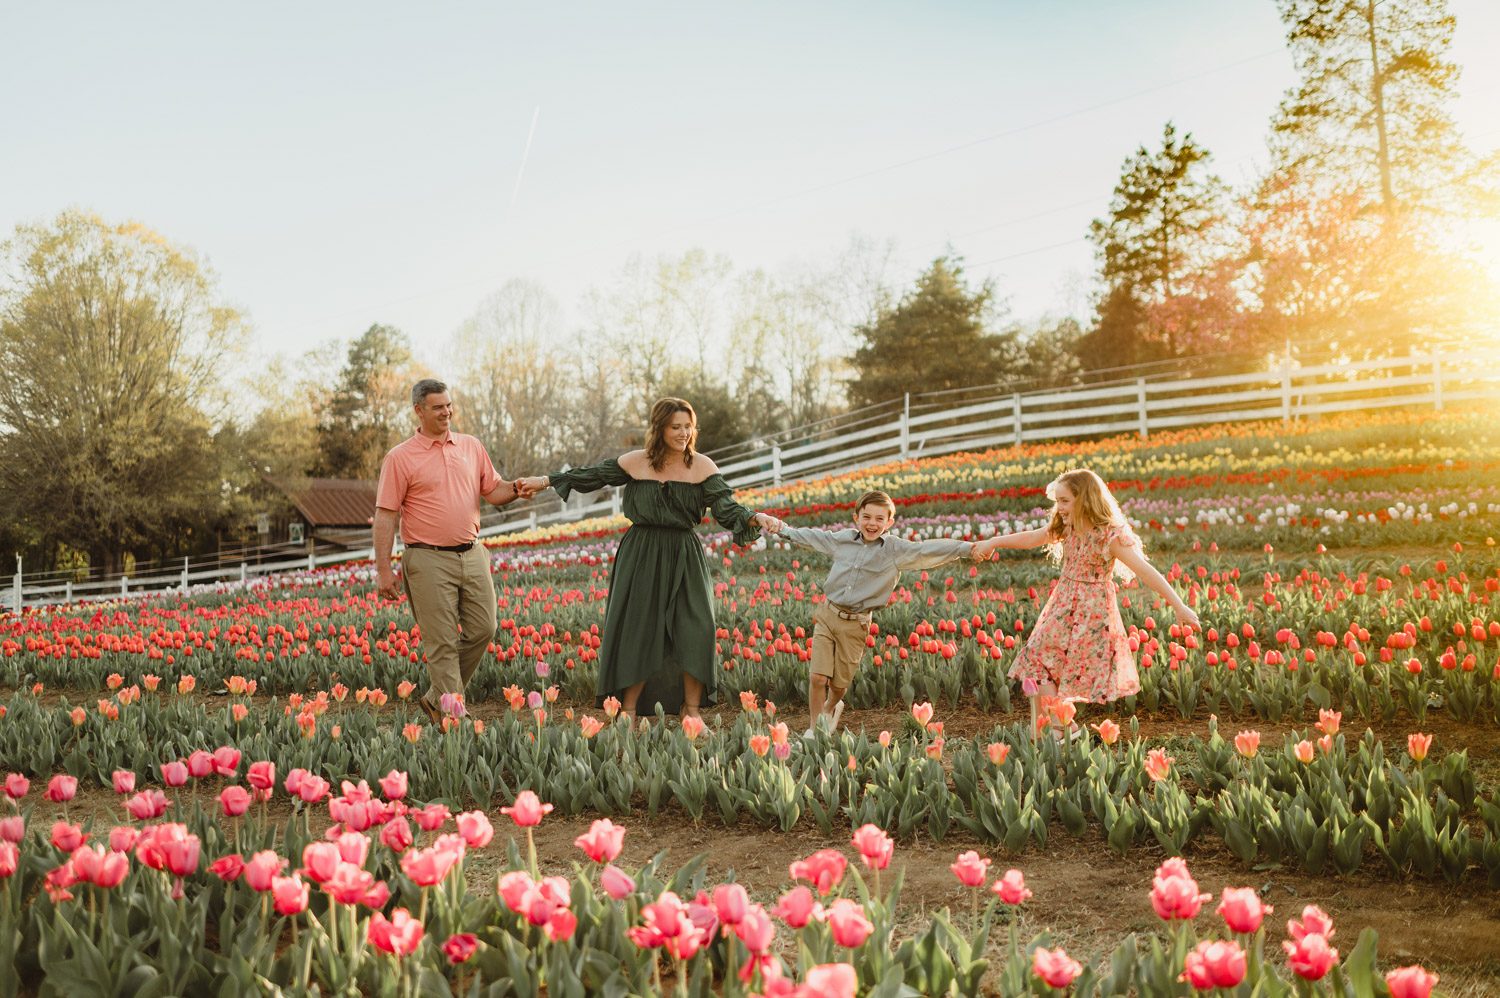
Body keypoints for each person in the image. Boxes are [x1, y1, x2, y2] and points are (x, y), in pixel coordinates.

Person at [515, 398, 772, 720]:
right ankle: (628, 712)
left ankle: (692, 713)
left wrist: (754, 518)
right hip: (642, 553)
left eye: (688, 426)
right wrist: (544, 481)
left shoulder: (703, 466)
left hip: (684, 554)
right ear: (660, 428)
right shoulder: (636, 461)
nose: (683, 433)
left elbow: (726, 507)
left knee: (698, 627)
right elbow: (591, 476)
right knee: (638, 630)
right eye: (675, 427)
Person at [972, 468, 1201, 739]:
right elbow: (1033, 537)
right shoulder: (1066, 526)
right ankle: (1058, 728)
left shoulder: (1109, 535)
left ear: (1084, 499)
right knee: (1037, 660)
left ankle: (1057, 729)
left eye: (1065, 501)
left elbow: (1145, 570)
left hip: (1091, 613)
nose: (1059, 507)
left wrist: (1178, 605)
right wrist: (994, 542)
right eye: (1057, 501)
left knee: (1045, 662)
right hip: (1062, 605)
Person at [759, 490, 986, 737]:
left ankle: (831, 706)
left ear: (889, 522)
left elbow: (926, 550)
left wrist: (967, 548)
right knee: (817, 677)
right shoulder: (843, 540)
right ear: (856, 517)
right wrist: (781, 528)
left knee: (839, 685)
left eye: (879, 519)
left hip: (855, 624)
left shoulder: (895, 550)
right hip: (828, 614)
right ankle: (814, 729)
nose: (872, 523)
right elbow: (813, 537)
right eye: (866, 517)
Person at [373, 379, 520, 723]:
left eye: (449, 405)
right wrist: (383, 569)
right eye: (438, 407)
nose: (447, 412)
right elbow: (386, 515)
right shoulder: (400, 457)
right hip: (427, 558)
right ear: (419, 410)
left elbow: (493, 490)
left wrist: (516, 488)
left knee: (484, 628)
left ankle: (436, 699)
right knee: (441, 642)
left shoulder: (471, 446)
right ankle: (456, 718)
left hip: (473, 553)